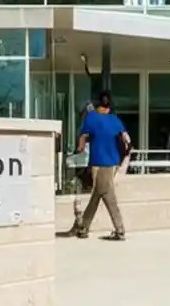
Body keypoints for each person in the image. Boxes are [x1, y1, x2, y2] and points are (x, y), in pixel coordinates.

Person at [74, 91, 131, 241]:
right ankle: (84, 228)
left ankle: (119, 230)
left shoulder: (91, 117)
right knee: (98, 194)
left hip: (98, 162)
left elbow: (83, 137)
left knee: (106, 195)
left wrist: (78, 150)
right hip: (112, 162)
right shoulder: (114, 119)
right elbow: (127, 138)